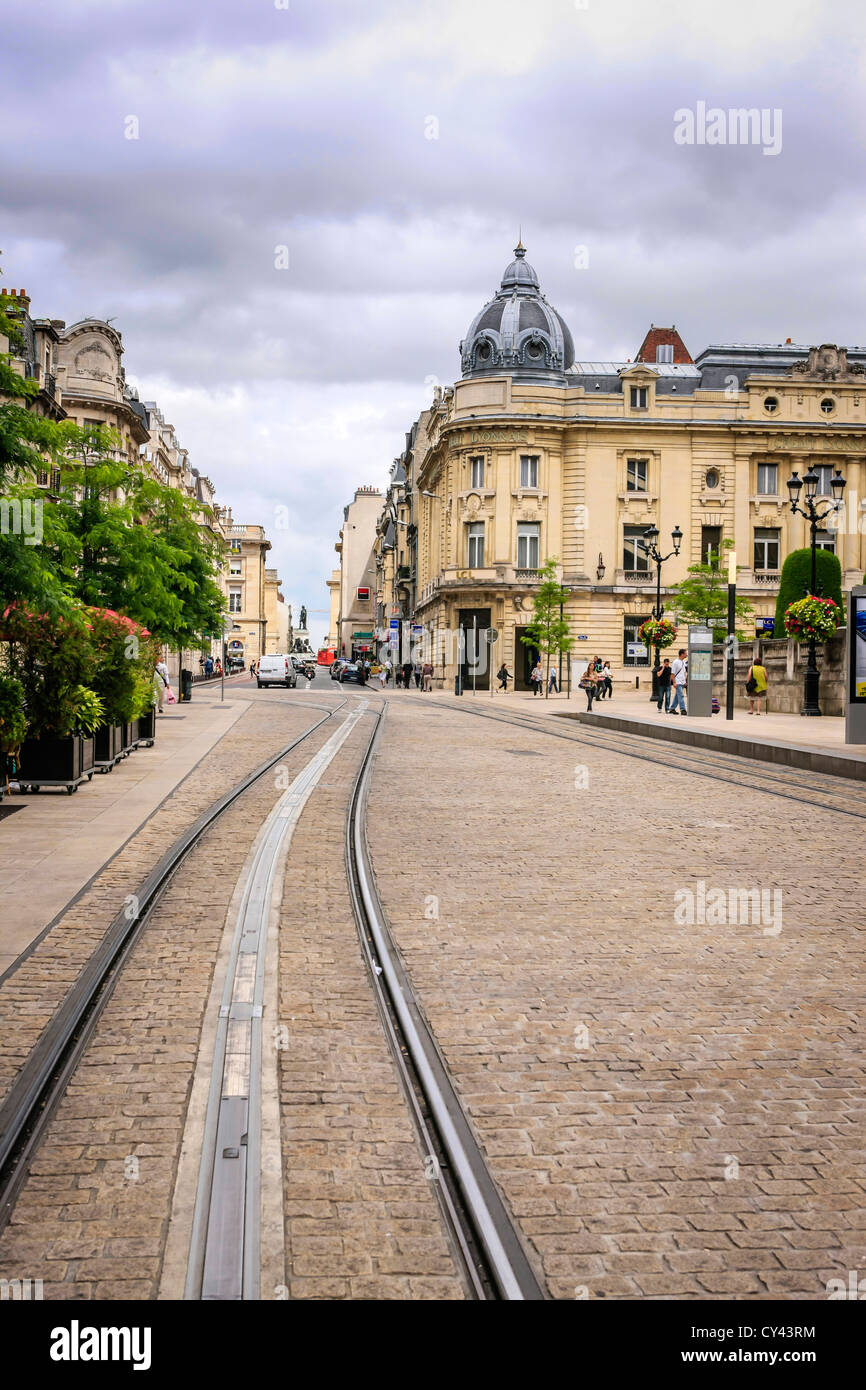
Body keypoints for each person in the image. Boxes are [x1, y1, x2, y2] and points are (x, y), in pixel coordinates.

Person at [669, 649, 688, 714]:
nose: (686, 654)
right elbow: (672, 673)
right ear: (682, 654)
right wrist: (674, 682)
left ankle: (672, 709)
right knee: (681, 695)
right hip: (677, 682)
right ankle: (683, 710)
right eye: (685, 653)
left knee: (677, 696)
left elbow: (684, 672)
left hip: (682, 682)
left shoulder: (684, 662)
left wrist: (685, 681)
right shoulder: (675, 662)